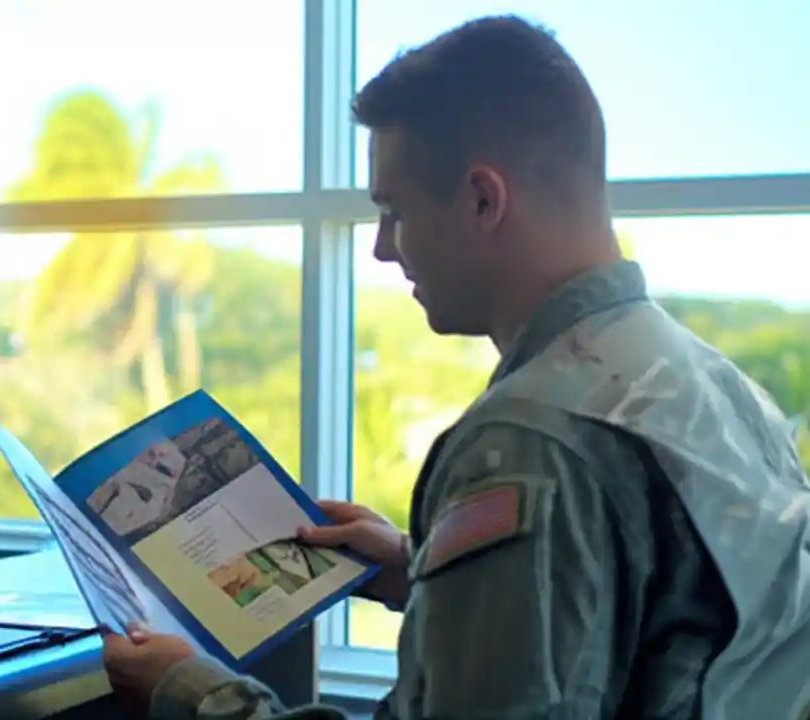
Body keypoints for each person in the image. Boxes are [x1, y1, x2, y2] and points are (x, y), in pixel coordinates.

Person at [100, 15, 810, 720]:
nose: (382, 249)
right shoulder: (726, 392)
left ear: (482, 199)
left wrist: (194, 695)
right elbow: (669, 635)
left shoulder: (530, 442)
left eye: (395, 211)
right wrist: (425, 565)